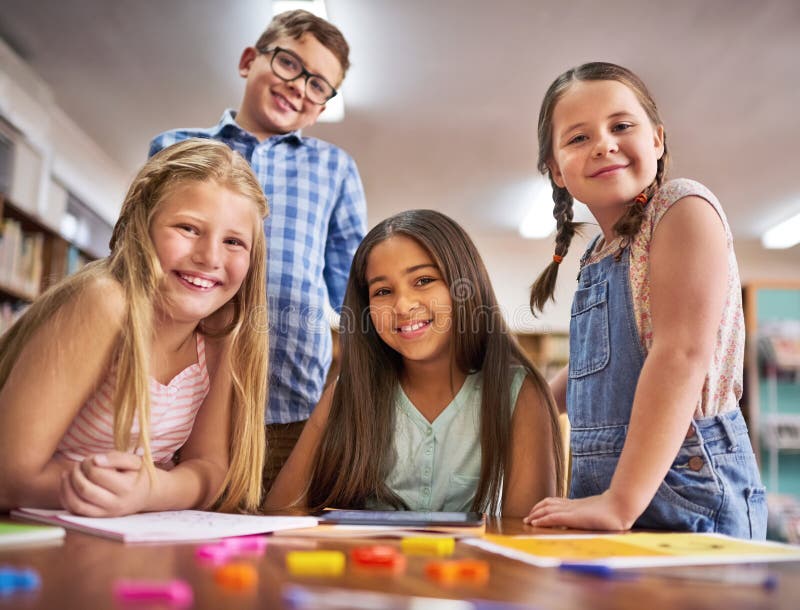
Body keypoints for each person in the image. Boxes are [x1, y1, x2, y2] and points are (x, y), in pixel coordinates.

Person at [524, 62, 766, 539]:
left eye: (621, 126)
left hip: (686, 487)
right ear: (555, 170)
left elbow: (680, 355)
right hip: (608, 489)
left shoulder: (682, 209)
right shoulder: (596, 253)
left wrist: (620, 502)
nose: (604, 144)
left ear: (656, 139)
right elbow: (588, 372)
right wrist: (519, 398)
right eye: (578, 138)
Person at [149, 10, 367, 496]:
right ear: (250, 60)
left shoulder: (335, 169)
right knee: (172, 530)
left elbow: (355, 293)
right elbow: (136, 266)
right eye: (290, 64)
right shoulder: (176, 148)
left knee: (274, 541)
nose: (299, 87)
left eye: (319, 86)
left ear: (323, 104)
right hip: (174, 400)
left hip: (288, 406)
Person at [0, 139, 269, 516]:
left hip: (117, 536)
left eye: (233, 241)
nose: (209, 257)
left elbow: (211, 469)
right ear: (142, 225)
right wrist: (113, 492)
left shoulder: (221, 334)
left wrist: (153, 490)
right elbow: (8, 476)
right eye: (189, 228)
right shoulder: (106, 304)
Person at [265, 209, 564, 516]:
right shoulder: (347, 393)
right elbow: (281, 511)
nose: (403, 305)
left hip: (470, 564)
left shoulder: (519, 394)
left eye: (423, 280)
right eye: (382, 291)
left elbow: (524, 536)